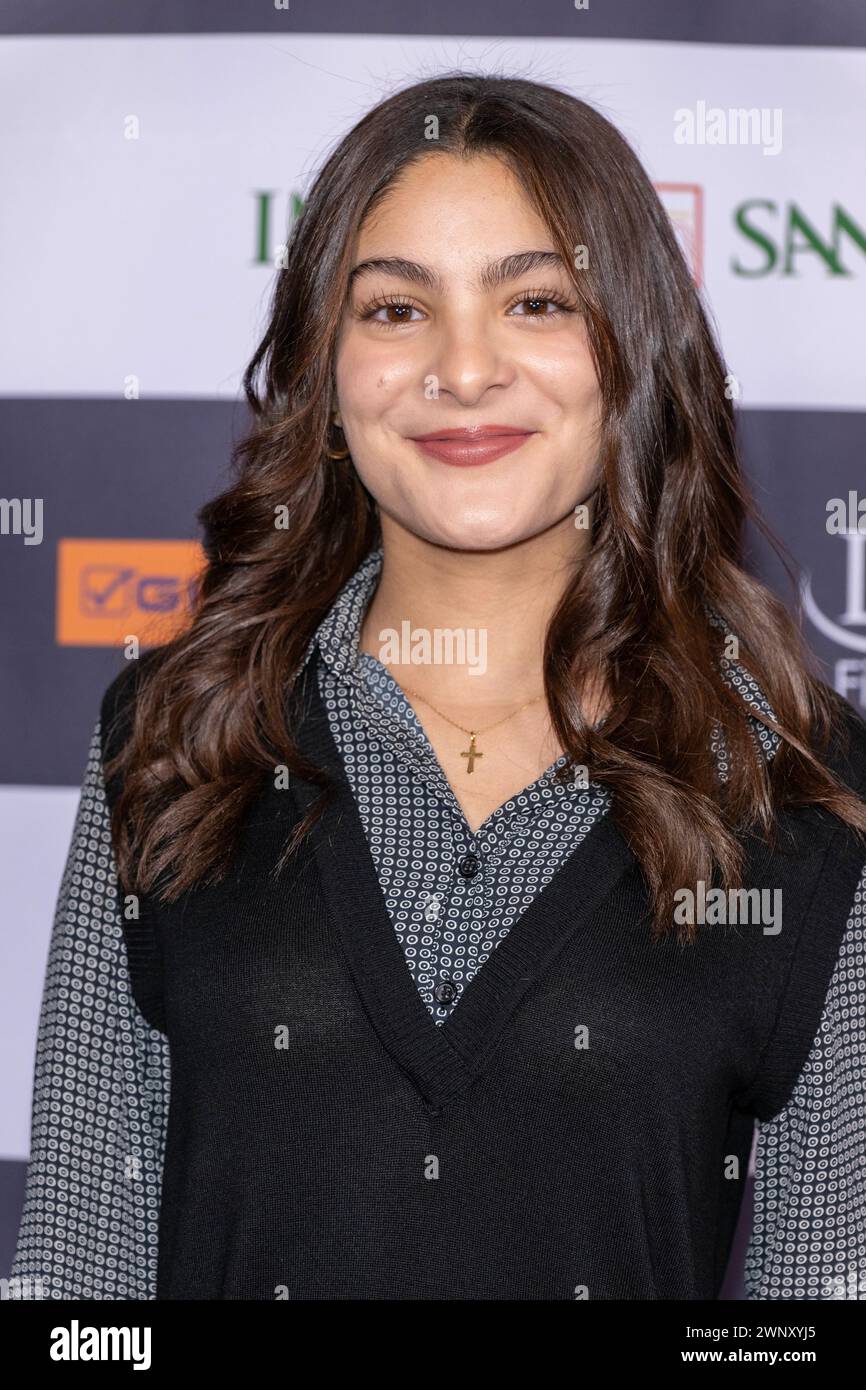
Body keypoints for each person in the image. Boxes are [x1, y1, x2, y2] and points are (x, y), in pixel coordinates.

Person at [10, 73, 866, 1302]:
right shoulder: (175, 740)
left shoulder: (803, 791)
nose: (462, 371)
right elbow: (78, 1288)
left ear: (635, 350)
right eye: (397, 309)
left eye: (533, 301)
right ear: (329, 372)